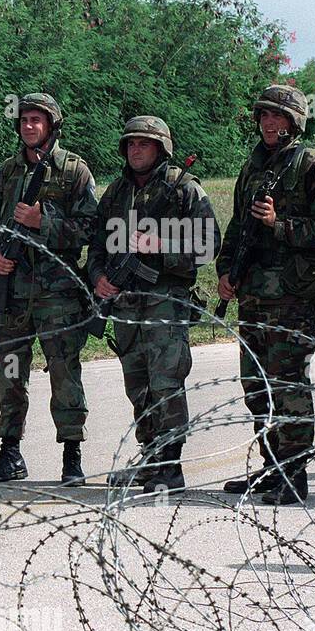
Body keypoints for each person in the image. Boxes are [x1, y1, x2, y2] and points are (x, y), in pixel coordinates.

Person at [217, 85, 315, 505]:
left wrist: (279, 223)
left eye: (278, 117)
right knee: (257, 388)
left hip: (291, 299)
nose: (269, 124)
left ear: (294, 122)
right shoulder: (253, 166)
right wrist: (224, 271)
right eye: (264, 116)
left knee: (288, 387)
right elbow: (237, 227)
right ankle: (271, 469)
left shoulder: (312, 166)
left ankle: (293, 475)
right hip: (252, 296)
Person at [87, 116, 219, 495]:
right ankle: (150, 456)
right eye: (130, 144)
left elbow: (210, 244)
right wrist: (99, 276)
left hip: (165, 302)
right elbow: (97, 244)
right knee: (138, 384)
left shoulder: (184, 190)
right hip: (126, 302)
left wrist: (162, 248)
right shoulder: (116, 193)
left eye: (144, 144)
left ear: (161, 148)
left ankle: (170, 464)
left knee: (166, 381)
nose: (136, 150)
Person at [0, 92, 97, 485]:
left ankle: (72, 454)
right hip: (12, 293)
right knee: (10, 372)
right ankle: (10, 451)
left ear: (51, 125)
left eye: (37, 120)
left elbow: (90, 229)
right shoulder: (7, 173)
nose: (29, 126)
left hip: (57, 294)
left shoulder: (74, 171)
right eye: (24, 119)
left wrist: (41, 220)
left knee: (64, 373)